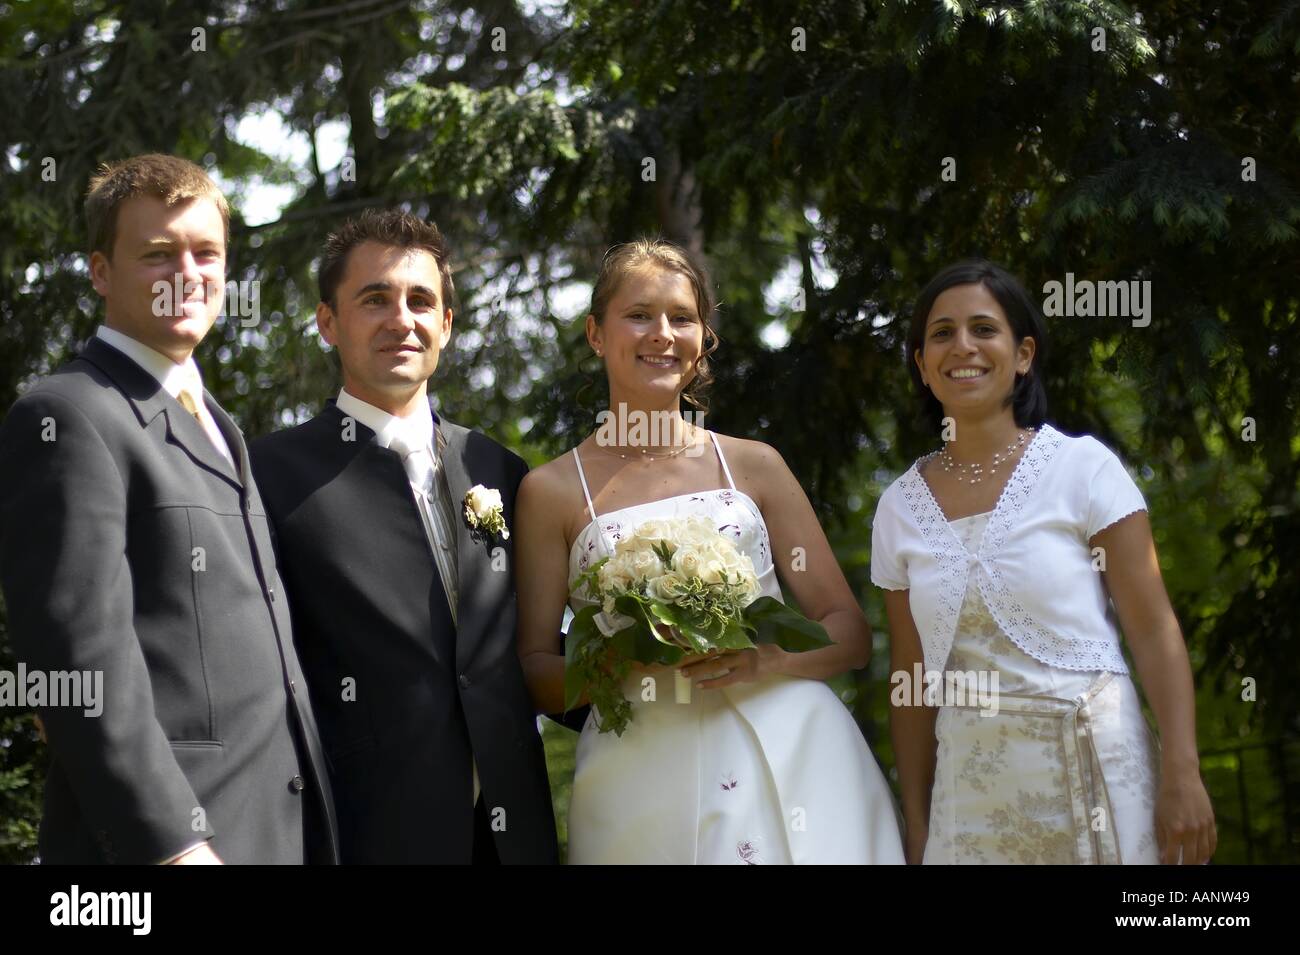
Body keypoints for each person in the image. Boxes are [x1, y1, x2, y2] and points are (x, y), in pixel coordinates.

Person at [516, 238, 904, 864]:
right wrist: (621, 667)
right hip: (639, 777)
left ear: (704, 338)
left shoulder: (754, 466)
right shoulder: (552, 491)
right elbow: (535, 670)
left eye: (682, 317)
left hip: (794, 752)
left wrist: (761, 660)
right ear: (595, 333)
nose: (662, 334)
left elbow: (848, 633)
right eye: (639, 314)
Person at [0, 153, 337, 864]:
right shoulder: (66, 415)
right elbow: (75, 663)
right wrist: (174, 844)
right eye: (158, 254)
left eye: (206, 252)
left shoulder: (219, 425)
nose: (188, 272)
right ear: (100, 271)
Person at [872, 259, 1216, 864]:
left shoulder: (1084, 471)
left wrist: (1183, 773)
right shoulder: (898, 508)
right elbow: (911, 680)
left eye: (984, 328)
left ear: (1023, 354)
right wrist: (919, 823)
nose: (964, 346)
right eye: (942, 333)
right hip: (970, 802)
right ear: (923, 366)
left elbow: (1154, 629)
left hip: (1101, 779)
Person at [250, 209, 557, 864]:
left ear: (446, 323)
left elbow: (534, 648)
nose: (402, 319)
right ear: (327, 322)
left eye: (421, 300)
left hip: (512, 837)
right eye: (375, 299)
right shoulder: (267, 476)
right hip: (363, 834)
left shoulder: (500, 469)